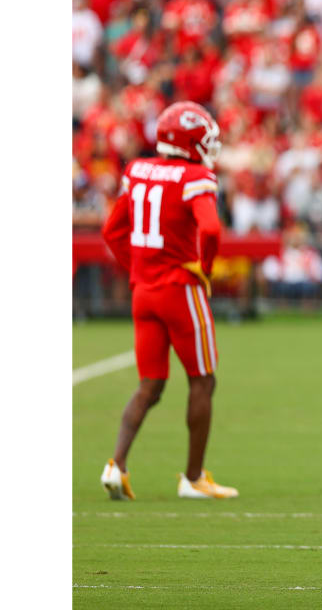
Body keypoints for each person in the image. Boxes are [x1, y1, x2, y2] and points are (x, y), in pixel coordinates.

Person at [99, 101, 239, 501]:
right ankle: (193, 478)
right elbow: (210, 228)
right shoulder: (195, 176)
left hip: (143, 292)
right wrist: (205, 268)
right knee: (203, 380)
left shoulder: (137, 170)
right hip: (180, 290)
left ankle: (116, 466)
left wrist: (137, 270)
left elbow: (112, 232)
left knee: (150, 385)